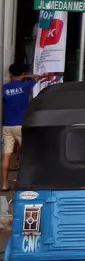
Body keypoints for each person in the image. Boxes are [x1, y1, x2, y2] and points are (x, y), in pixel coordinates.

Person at [2, 64, 37, 192]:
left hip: (7, 125)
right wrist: (26, 76)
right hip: (21, 124)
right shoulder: (26, 86)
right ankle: (28, 181)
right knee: (30, 153)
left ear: (10, 74)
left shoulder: (4, 88)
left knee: (6, 154)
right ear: (22, 74)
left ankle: (4, 184)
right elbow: (36, 77)